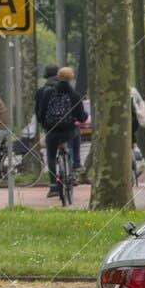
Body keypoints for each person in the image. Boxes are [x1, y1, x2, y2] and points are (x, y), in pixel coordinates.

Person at [35, 65, 86, 195]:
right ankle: (76, 164)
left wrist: (44, 124)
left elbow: (41, 112)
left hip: (52, 130)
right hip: (68, 130)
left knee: (51, 156)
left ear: (59, 76)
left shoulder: (48, 92)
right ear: (71, 78)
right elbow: (81, 117)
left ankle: (53, 186)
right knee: (76, 134)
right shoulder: (74, 94)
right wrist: (81, 117)